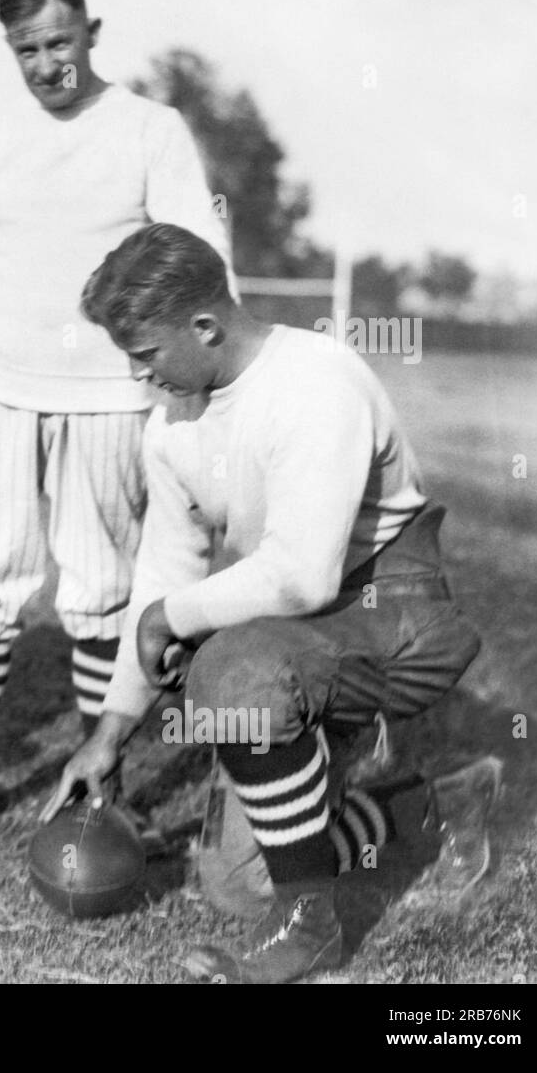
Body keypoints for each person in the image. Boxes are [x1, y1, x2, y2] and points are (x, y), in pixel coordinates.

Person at [41, 222, 502, 984]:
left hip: (398, 610)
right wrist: (110, 734)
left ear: (205, 325)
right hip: (305, 627)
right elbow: (163, 573)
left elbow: (302, 577)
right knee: (240, 880)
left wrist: (173, 620)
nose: (137, 375)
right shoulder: (173, 423)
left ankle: (310, 931)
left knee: (228, 671)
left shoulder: (317, 379)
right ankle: (436, 805)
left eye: (146, 354)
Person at [0, 0, 233, 843]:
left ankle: (95, 785)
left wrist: (182, 384)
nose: (47, 65)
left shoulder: (151, 129)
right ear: (11, 50)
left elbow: (197, 257)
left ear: (92, 33)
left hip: (112, 394)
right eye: (28, 49)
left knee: (102, 586)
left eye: (61, 43)